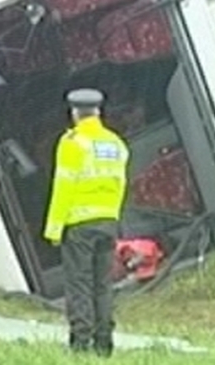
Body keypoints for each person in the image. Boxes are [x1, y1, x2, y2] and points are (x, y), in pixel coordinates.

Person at [44, 88, 131, 357]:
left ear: (74, 114)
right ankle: (104, 343)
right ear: (98, 112)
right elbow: (120, 183)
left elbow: (64, 185)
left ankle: (81, 344)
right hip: (108, 221)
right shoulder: (115, 143)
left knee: (79, 283)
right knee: (103, 284)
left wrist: (54, 227)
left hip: (79, 223)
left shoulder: (72, 142)